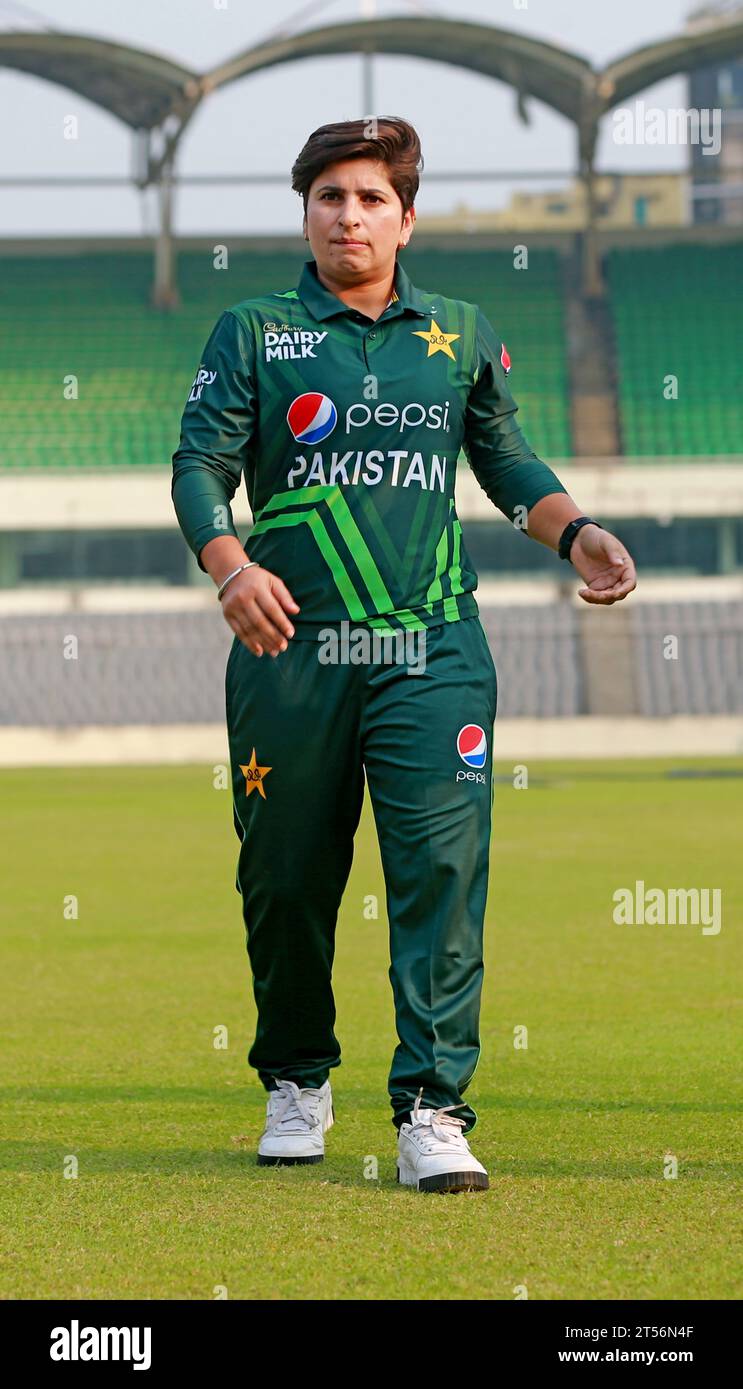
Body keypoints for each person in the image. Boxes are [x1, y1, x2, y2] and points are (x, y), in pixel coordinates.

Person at [171, 116, 636, 1195]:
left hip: (430, 647)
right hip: (291, 651)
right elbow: (200, 464)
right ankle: (295, 1077)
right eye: (329, 196)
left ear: (405, 217)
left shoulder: (462, 330)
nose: (348, 215)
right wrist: (231, 568)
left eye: (369, 197)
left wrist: (576, 530)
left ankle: (431, 1106)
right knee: (285, 875)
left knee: (437, 867)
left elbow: (504, 457)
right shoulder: (253, 330)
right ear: (307, 214)